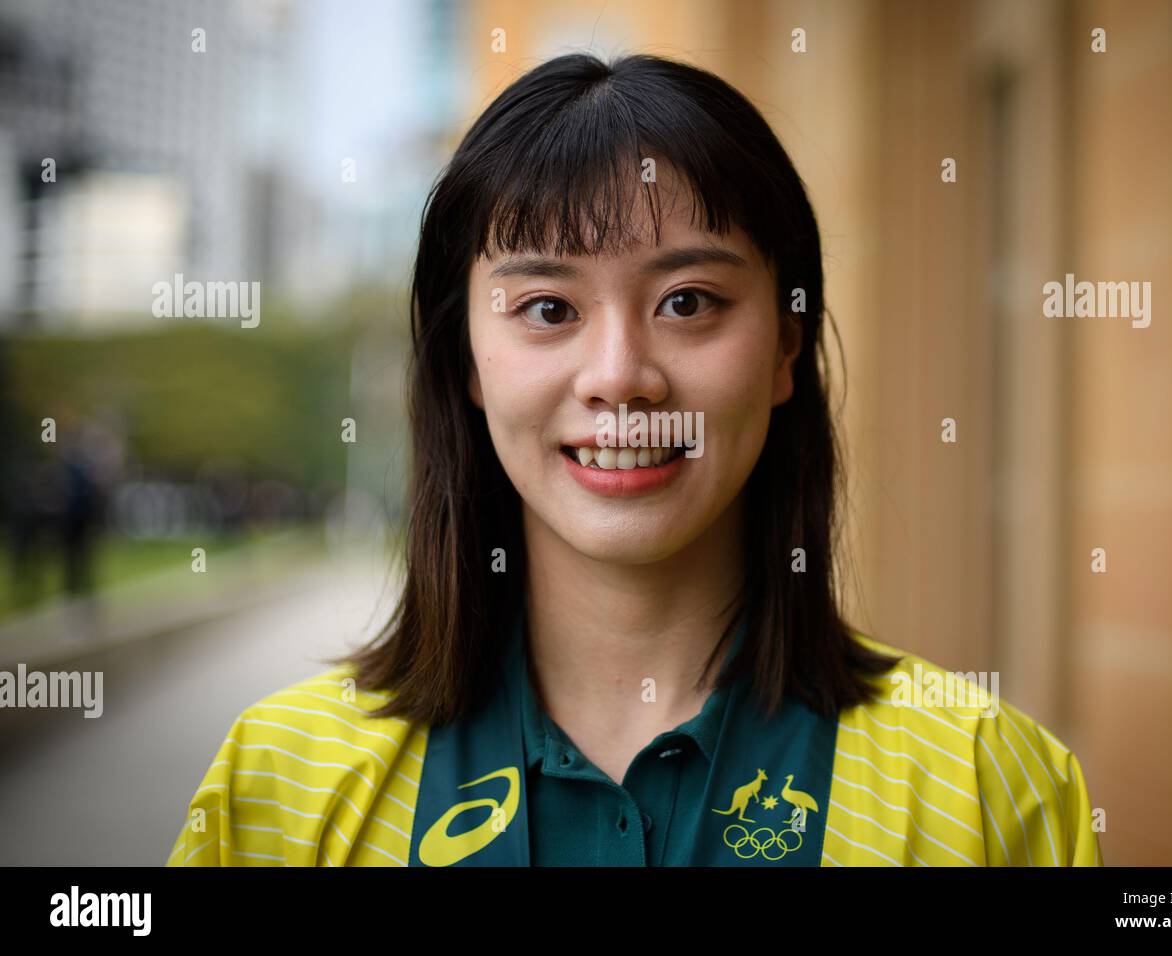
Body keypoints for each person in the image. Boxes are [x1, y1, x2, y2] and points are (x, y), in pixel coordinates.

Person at [167, 52, 1102, 868]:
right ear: (467, 365)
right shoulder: (281, 783)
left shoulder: (981, 788)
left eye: (689, 301)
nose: (621, 379)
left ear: (785, 348)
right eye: (547, 309)